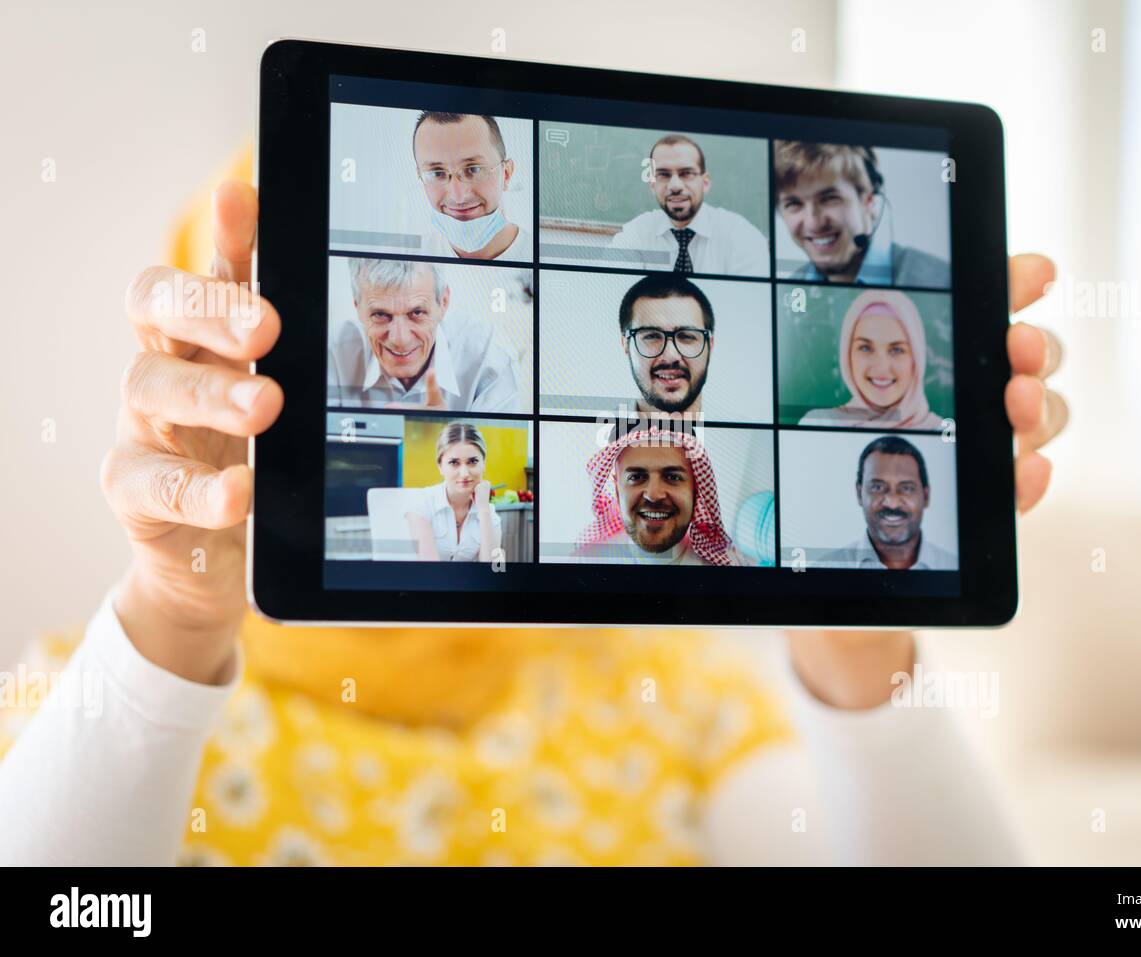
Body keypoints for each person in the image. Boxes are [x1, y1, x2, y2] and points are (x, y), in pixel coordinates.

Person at [0, 152, 1068, 865]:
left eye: (418, 306)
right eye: (266, 340)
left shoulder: (676, 698)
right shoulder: (94, 696)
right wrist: (171, 629)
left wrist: (858, 641)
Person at [327, 257, 520, 411]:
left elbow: (502, 459)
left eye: (417, 313)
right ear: (357, 308)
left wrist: (448, 436)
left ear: (443, 302)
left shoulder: (490, 361)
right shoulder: (333, 353)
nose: (400, 340)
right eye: (380, 314)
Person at [774, 140, 950, 288]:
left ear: (868, 201)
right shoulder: (793, 287)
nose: (813, 223)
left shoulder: (937, 279)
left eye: (829, 198)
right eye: (793, 204)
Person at [573, 426, 748, 566]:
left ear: (696, 489)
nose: (654, 495)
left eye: (673, 477)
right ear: (617, 490)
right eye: (636, 477)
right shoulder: (585, 562)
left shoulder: (731, 569)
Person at [606, 134, 769, 277]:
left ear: (705, 183)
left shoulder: (740, 235)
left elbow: (752, 302)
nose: (675, 185)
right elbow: (613, 288)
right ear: (652, 185)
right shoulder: (637, 233)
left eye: (686, 173)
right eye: (663, 174)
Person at [798, 289, 944, 429]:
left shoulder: (942, 429)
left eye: (896, 350)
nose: (881, 367)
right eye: (865, 348)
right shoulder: (820, 422)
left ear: (916, 360)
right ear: (847, 356)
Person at [821, 436, 957, 571]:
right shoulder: (823, 569)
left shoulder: (953, 565)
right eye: (877, 487)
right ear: (859, 493)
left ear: (926, 496)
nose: (892, 503)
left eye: (906, 488)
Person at [413, 112, 532, 262]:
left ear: (506, 174)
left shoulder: (536, 254)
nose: (458, 197)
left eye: (473, 169)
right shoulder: (411, 258)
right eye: (437, 173)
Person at [618, 273, 715, 424]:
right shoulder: (590, 440)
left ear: (710, 345)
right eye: (652, 336)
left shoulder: (753, 443)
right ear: (626, 344)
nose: (670, 355)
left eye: (686, 336)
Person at [403, 423, 501, 563]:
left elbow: (494, 570)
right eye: (454, 463)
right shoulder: (422, 503)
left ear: (484, 463)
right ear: (440, 466)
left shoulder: (489, 514)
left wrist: (484, 510)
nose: (464, 473)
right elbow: (430, 572)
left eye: (472, 461)